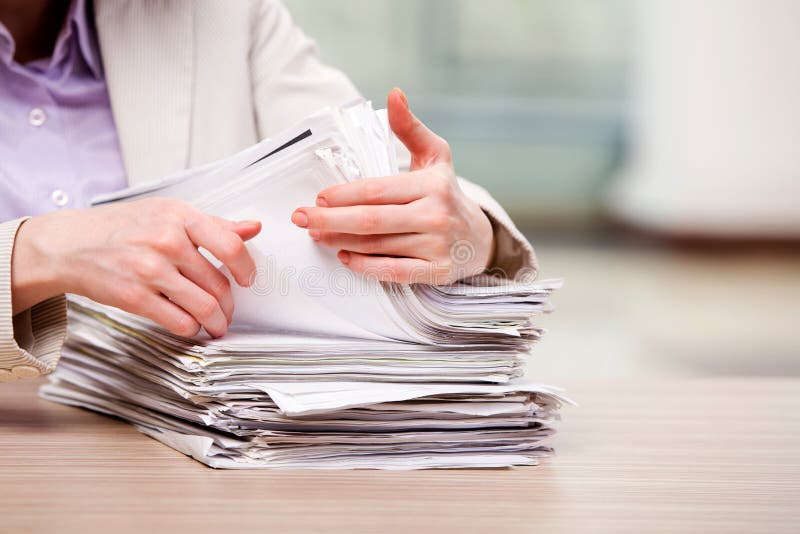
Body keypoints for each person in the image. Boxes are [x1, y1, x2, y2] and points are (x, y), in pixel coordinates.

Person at [0, 0, 536, 382]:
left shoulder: (224, 14)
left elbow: (392, 181)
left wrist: (468, 233)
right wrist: (35, 253)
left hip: (186, 459)